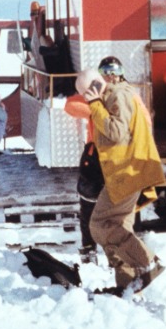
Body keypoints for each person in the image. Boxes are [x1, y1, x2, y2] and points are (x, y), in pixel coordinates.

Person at [75, 64, 166, 296]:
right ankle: (128, 285)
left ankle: (147, 262)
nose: (87, 100)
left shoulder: (118, 95)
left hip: (130, 172)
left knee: (100, 224)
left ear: (95, 87)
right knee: (119, 226)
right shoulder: (112, 95)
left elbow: (116, 132)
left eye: (87, 94)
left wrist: (95, 105)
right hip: (122, 172)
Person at [63, 56, 130, 263]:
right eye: (106, 73)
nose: (110, 77)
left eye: (113, 73)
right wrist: (94, 103)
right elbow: (71, 106)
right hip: (96, 158)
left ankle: (120, 253)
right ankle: (90, 247)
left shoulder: (125, 98)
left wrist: (96, 106)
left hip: (117, 159)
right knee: (89, 204)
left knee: (118, 211)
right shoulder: (97, 100)